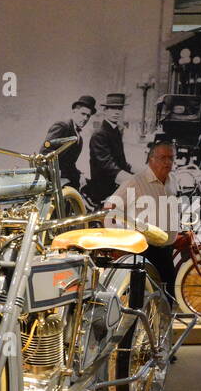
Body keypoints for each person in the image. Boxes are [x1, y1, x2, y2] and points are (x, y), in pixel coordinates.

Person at [105, 137, 181, 299]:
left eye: (171, 158)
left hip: (166, 250)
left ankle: (163, 325)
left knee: (168, 297)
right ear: (151, 159)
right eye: (163, 158)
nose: (168, 162)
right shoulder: (135, 182)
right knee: (139, 298)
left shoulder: (172, 180)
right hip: (144, 250)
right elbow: (109, 208)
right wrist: (119, 240)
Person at [84, 92, 133, 206]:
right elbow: (107, 164)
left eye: (119, 108)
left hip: (115, 186)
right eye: (112, 108)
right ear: (105, 111)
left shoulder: (115, 131)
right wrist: (129, 179)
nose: (116, 112)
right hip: (103, 189)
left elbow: (121, 162)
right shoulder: (99, 134)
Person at [41, 95, 95, 188]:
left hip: (66, 178)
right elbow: (45, 152)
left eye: (88, 116)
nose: (85, 118)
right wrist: (56, 174)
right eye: (83, 114)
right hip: (52, 179)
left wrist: (79, 174)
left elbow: (69, 164)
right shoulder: (62, 126)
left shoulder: (79, 138)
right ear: (74, 110)